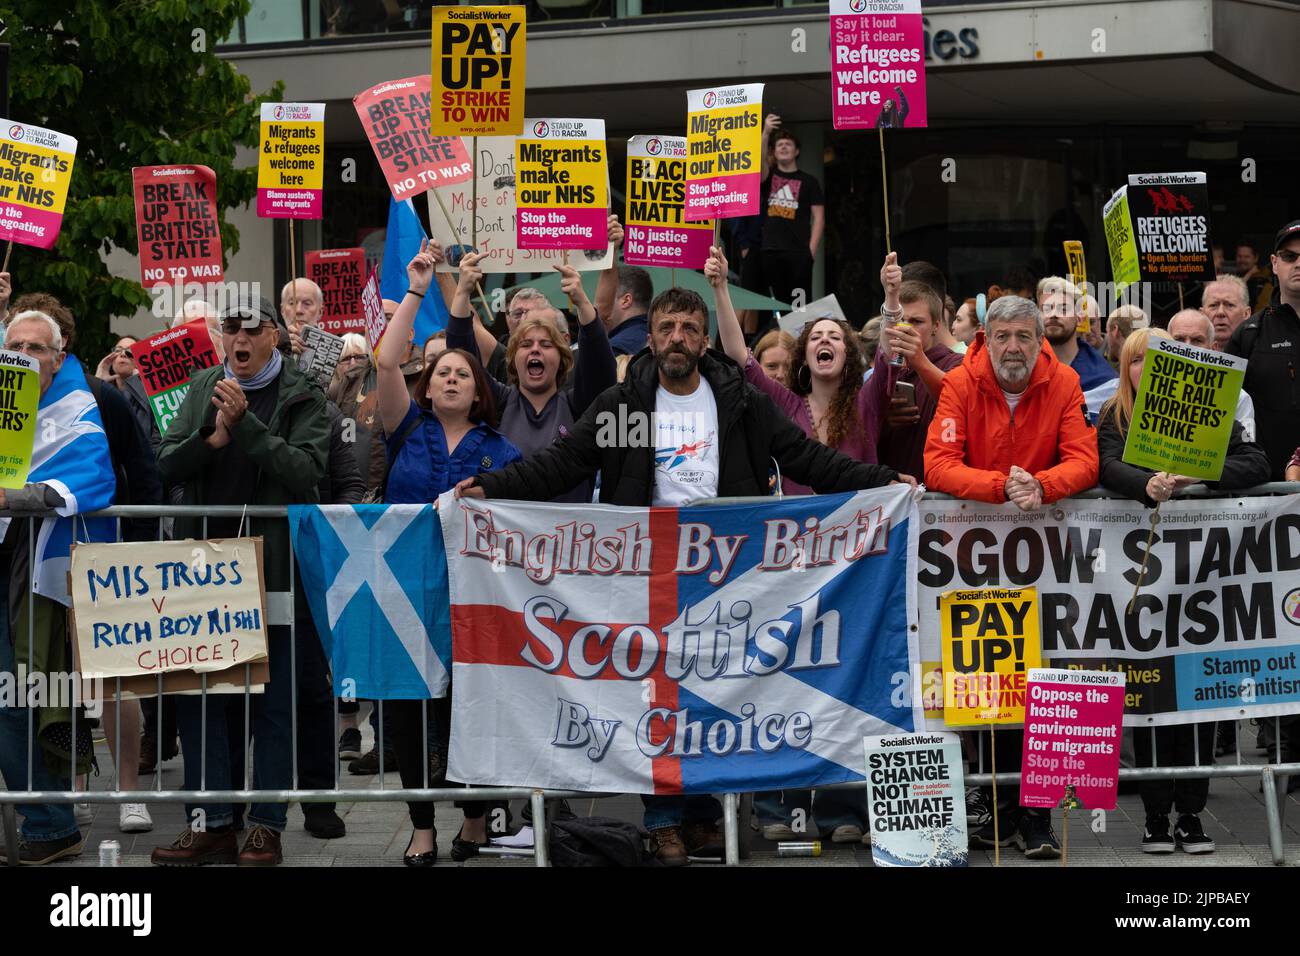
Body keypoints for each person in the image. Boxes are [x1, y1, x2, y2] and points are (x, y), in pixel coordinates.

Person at [455, 280, 906, 864]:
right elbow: (565, 460)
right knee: (654, 695)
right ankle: (663, 820)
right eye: (667, 327)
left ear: (705, 341)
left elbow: (803, 456)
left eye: (689, 329)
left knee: (717, 693)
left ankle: (703, 817)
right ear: (650, 337)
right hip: (646, 574)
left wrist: (879, 482)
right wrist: (494, 485)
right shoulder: (624, 405)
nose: (677, 338)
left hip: (726, 571)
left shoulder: (740, 403)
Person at [151, 293, 329, 867]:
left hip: (275, 569)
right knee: (202, 698)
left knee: (276, 704)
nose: (240, 339)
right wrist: (213, 440)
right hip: (205, 572)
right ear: (222, 336)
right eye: (231, 329)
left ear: (274, 336)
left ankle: (266, 826)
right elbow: (165, 461)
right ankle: (211, 823)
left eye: (252, 329)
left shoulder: (304, 393)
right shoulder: (203, 387)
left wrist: (247, 428)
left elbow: (306, 473)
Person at [924, 295, 1099, 859]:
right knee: (991, 684)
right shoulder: (959, 383)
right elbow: (939, 464)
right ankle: (998, 815)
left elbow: (1084, 458)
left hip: (1047, 558)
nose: (1014, 348)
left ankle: (1041, 819)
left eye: (1025, 336)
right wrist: (1002, 487)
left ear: (1039, 338)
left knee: (1048, 686)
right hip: (977, 562)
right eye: (1003, 337)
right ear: (986, 338)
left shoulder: (1065, 381)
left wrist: (1043, 486)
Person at [1098, 326, 1269, 854]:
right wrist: (1143, 483)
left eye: (1158, 360)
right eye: (1136, 361)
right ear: (1124, 369)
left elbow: (1257, 463)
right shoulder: (1113, 418)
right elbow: (1103, 464)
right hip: (1141, 581)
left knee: (1195, 700)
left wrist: (1197, 475)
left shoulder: (1208, 416)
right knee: (1149, 696)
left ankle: (1192, 816)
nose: (1146, 369)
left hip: (1200, 583)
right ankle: (1153, 816)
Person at [377, 240, 521, 866]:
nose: (453, 377)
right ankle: (421, 826)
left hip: (477, 596)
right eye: (441, 373)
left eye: (463, 372)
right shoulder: (405, 427)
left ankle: (472, 817)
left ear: (480, 388)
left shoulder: (502, 449)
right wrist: (416, 289)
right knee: (411, 706)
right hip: (409, 585)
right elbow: (385, 363)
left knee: (469, 702)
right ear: (426, 389)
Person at [0, 310, 116, 864]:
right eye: (14, 343)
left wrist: (13, 498)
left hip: (32, 579)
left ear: (59, 355)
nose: (25, 353)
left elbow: (92, 477)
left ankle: (49, 823)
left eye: (36, 347)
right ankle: (43, 819)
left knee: (15, 698)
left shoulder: (77, 407)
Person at [710, 246, 906, 500]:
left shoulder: (867, 402)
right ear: (804, 357)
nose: (825, 340)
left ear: (848, 357)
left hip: (857, 532)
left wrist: (892, 296)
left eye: (834, 337)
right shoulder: (786, 404)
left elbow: (888, 356)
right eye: (816, 337)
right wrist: (721, 287)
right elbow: (739, 356)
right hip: (799, 534)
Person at [446, 250, 615, 503]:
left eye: (546, 345)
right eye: (525, 345)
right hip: (503, 539)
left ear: (562, 358)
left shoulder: (578, 407)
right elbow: (462, 358)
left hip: (568, 537)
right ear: (513, 357)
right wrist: (462, 292)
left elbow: (600, 368)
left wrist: (581, 302)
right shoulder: (499, 403)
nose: (535, 349)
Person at [877, 258, 964, 479]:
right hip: (892, 494)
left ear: (936, 325)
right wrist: (884, 419)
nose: (906, 328)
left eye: (916, 321)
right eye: (900, 320)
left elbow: (961, 401)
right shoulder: (885, 367)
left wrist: (919, 359)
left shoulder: (956, 363)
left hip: (935, 497)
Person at [1226, 220, 1300, 480]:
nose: (1299, 263)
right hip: (1265, 494)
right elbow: (1223, 413)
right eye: (1290, 256)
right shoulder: (1249, 334)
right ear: (1274, 263)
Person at [756, 115, 825, 307]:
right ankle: (780, 337)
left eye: (788, 144)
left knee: (800, 305)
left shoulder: (809, 181)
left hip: (799, 253)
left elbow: (819, 218)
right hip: (771, 251)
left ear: (797, 151)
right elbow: (759, 161)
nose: (784, 147)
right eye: (779, 145)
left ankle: (798, 337)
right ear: (774, 152)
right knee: (777, 304)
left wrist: (810, 251)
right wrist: (766, 132)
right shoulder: (768, 177)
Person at [1167, 309, 1255, 435]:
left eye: (1197, 340)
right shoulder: (1147, 388)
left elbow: (1247, 446)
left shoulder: (1238, 398)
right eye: (1179, 340)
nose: (1188, 347)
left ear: (1213, 349)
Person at [1036, 276, 1117, 391]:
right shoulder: (1024, 369)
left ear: (1079, 319)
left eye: (1063, 309)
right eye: (1047, 309)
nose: (1053, 314)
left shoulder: (1104, 382)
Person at [1200, 275, 1252, 352]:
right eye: (1213, 305)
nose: (1220, 312)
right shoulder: (1187, 350)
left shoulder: (1261, 352)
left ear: (1246, 313)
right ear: (1202, 314)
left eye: (1230, 305)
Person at [280, 278, 325, 355]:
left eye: (307, 304)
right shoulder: (269, 349)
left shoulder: (335, 352)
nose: (298, 310)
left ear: (320, 312)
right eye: (292, 303)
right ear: (282, 310)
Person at [1235, 240, 1275, 313]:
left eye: (1246, 257)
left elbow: (1261, 312)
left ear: (1256, 258)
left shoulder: (1263, 281)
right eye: (1239, 256)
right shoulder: (1233, 277)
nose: (1242, 260)